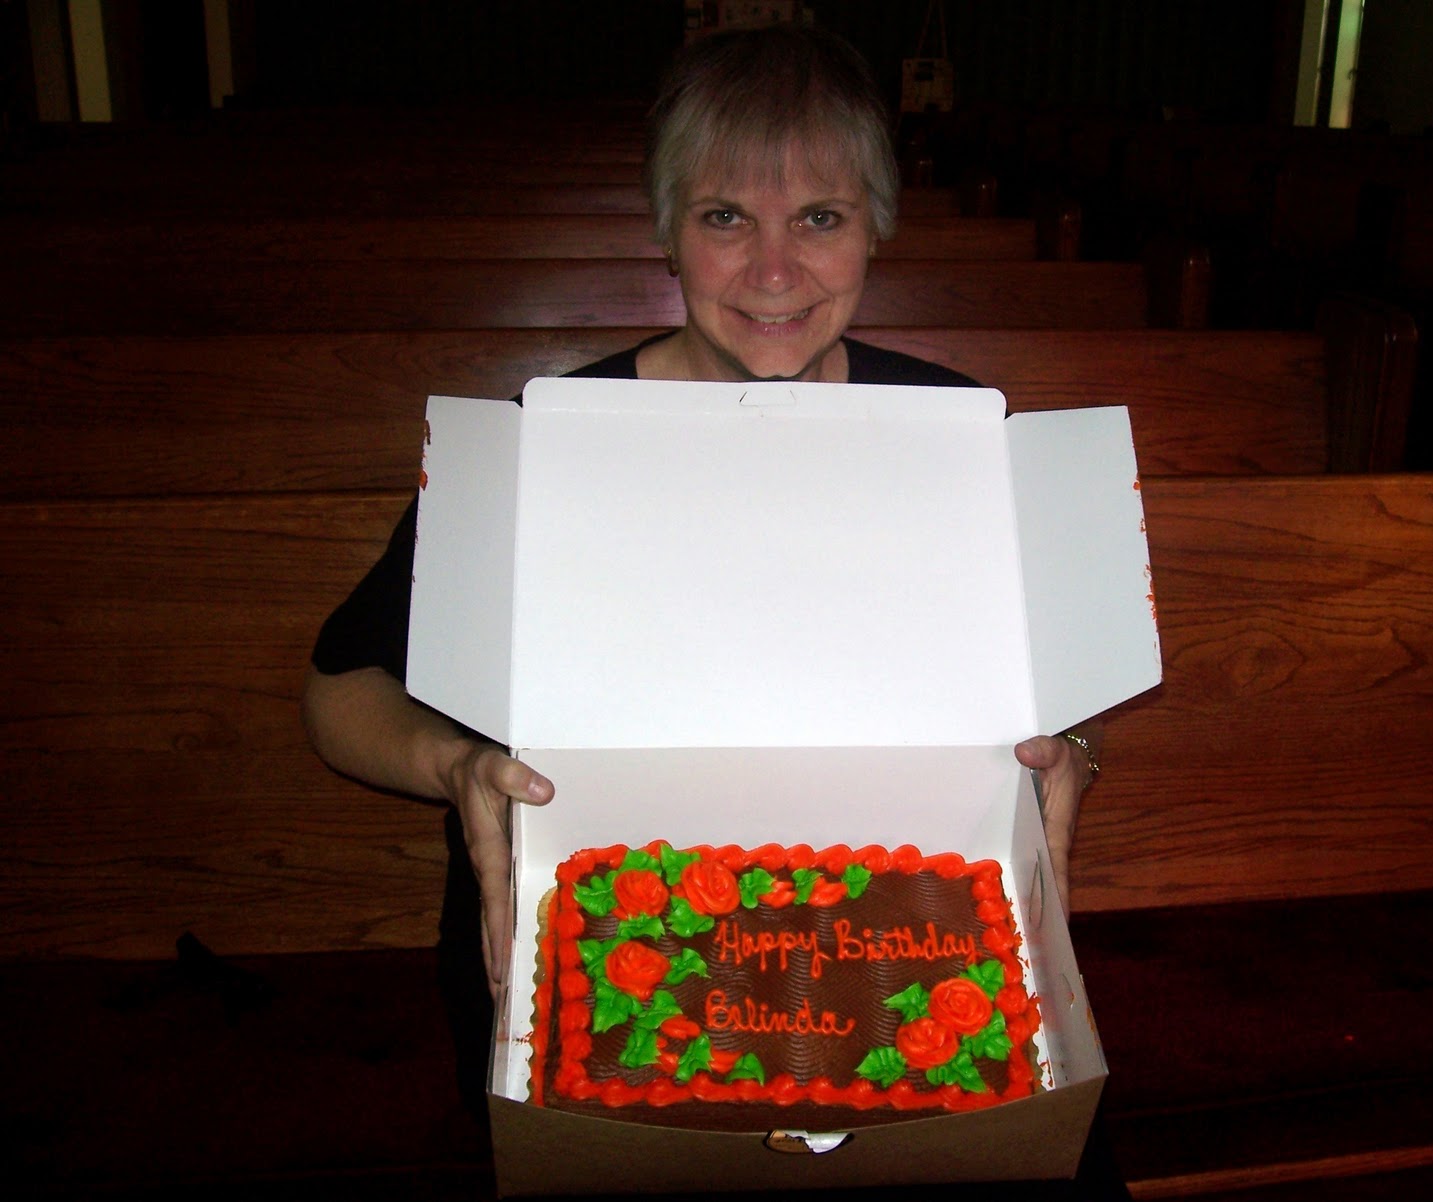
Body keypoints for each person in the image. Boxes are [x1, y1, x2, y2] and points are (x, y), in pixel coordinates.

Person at [302, 21, 1108, 1179]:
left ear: (874, 226)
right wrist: (456, 765)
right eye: (726, 216)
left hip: (888, 959)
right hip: (609, 969)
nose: (772, 271)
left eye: (818, 219)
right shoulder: (545, 441)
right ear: (668, 232)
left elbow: (1043, 707)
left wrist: (1062, 751)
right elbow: (337, 690)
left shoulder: (960, 430)